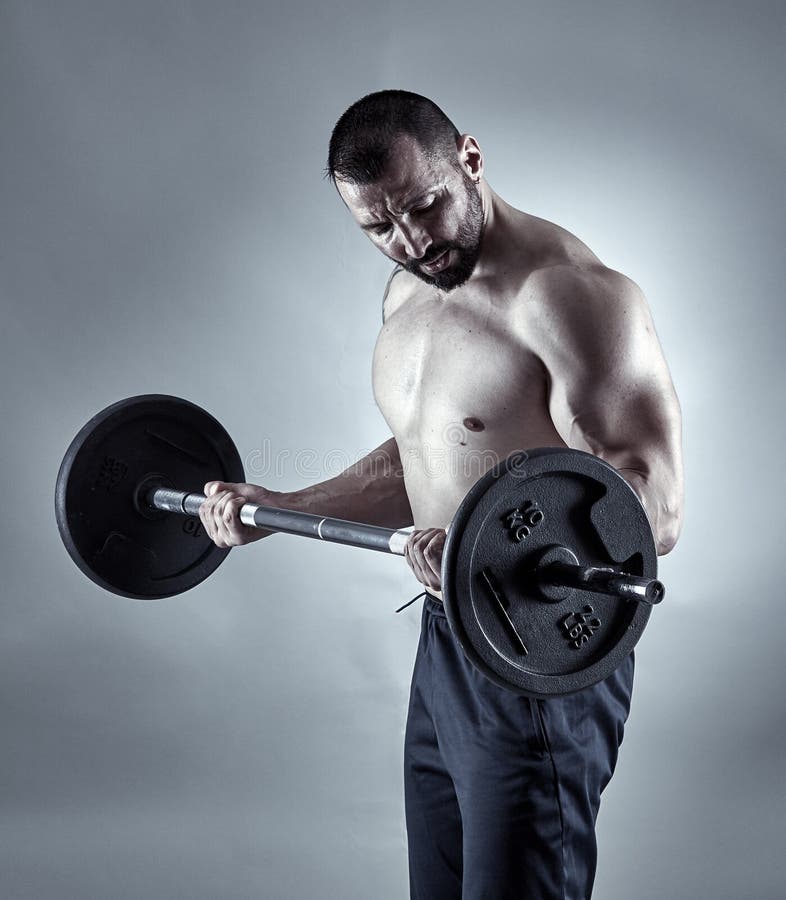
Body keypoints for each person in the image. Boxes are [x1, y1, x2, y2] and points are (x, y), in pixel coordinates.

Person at [197, 90, 684, 900]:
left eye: (425, 206)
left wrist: (489, 546)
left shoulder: (569, 296)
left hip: (539, 654)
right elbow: (422, 461)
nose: (413, 241)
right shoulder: (411, 291)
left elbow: (656, 507)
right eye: (379, 227)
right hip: (449, 639)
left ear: (470, 158)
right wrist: (281, 505)